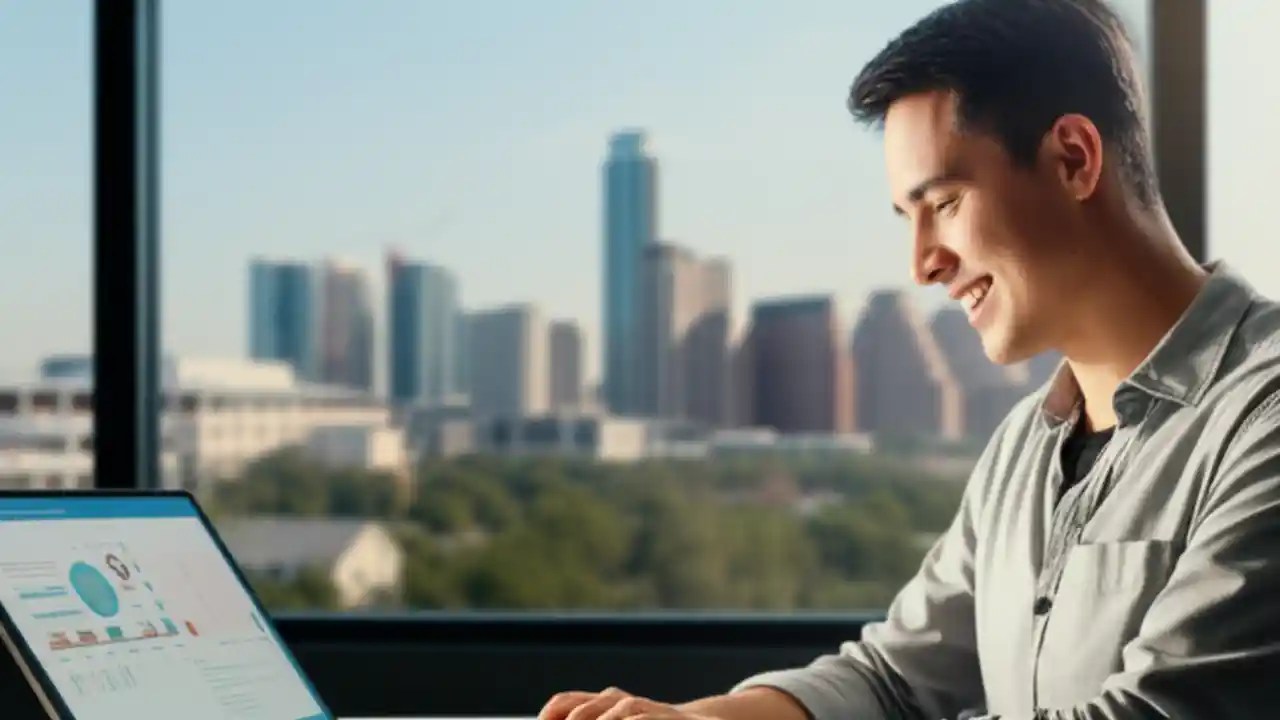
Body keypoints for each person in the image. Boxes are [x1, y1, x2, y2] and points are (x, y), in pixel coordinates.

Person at [538, 0, 1280, 718]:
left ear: (1073, 159)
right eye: (908, 219)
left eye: (946, 203)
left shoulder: (1262, 412)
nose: (923, 263)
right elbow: (894, 679)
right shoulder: (1024, 448)